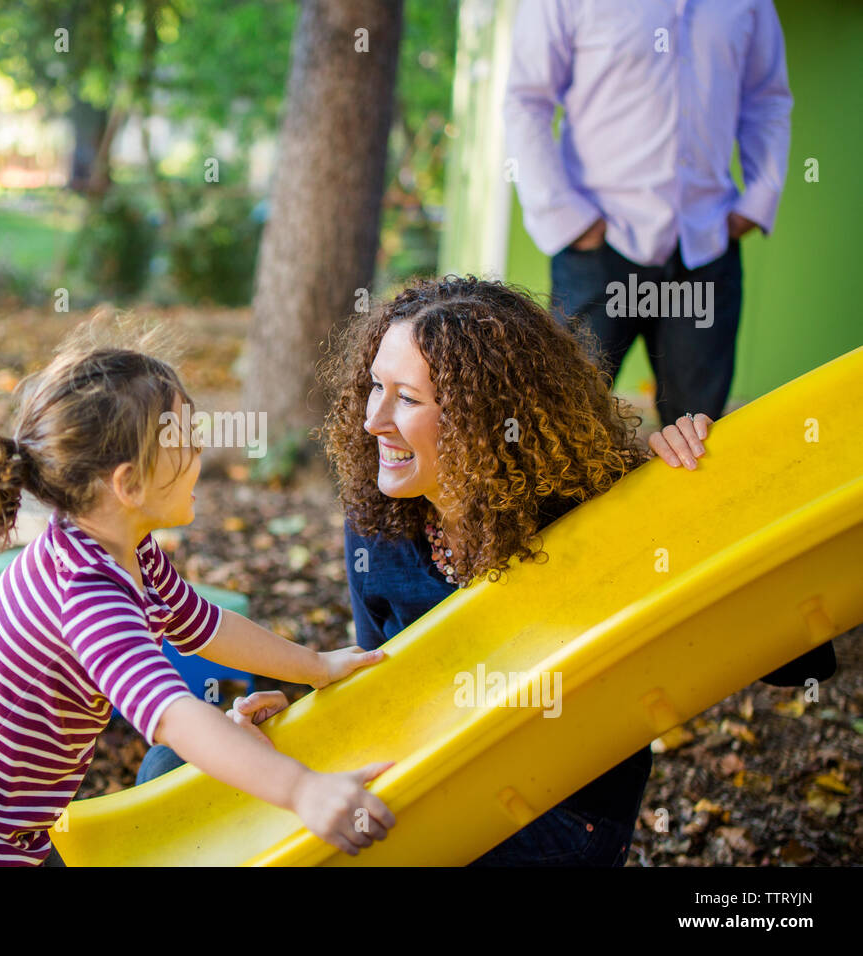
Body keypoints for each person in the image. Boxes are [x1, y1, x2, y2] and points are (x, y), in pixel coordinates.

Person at [137, 275, 832, 865]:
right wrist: (291, 720)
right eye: (375, 388)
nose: (374, 419)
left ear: (487, 418)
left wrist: (706, 501)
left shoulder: (599, 512)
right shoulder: (382, 522)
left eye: (407, 399)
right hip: (427, 772)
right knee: (185, 760)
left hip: (553, 814)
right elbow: (385, 681)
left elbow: (798, 658)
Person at [0, 335, 395, 866]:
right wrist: (304, 791)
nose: (200, 449)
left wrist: (315, 666)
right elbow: (172, 715)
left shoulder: (131, 552)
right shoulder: (86, 591)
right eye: (184, 440)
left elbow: (205, 627)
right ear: (129, 484)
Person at [503, 0, 793, 425]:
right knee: (563, 425)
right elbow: (526, 100)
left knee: (698, 436)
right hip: (597, 248)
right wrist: (568, 219)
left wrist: (758, 201)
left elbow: (766, 98)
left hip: (707, 246)